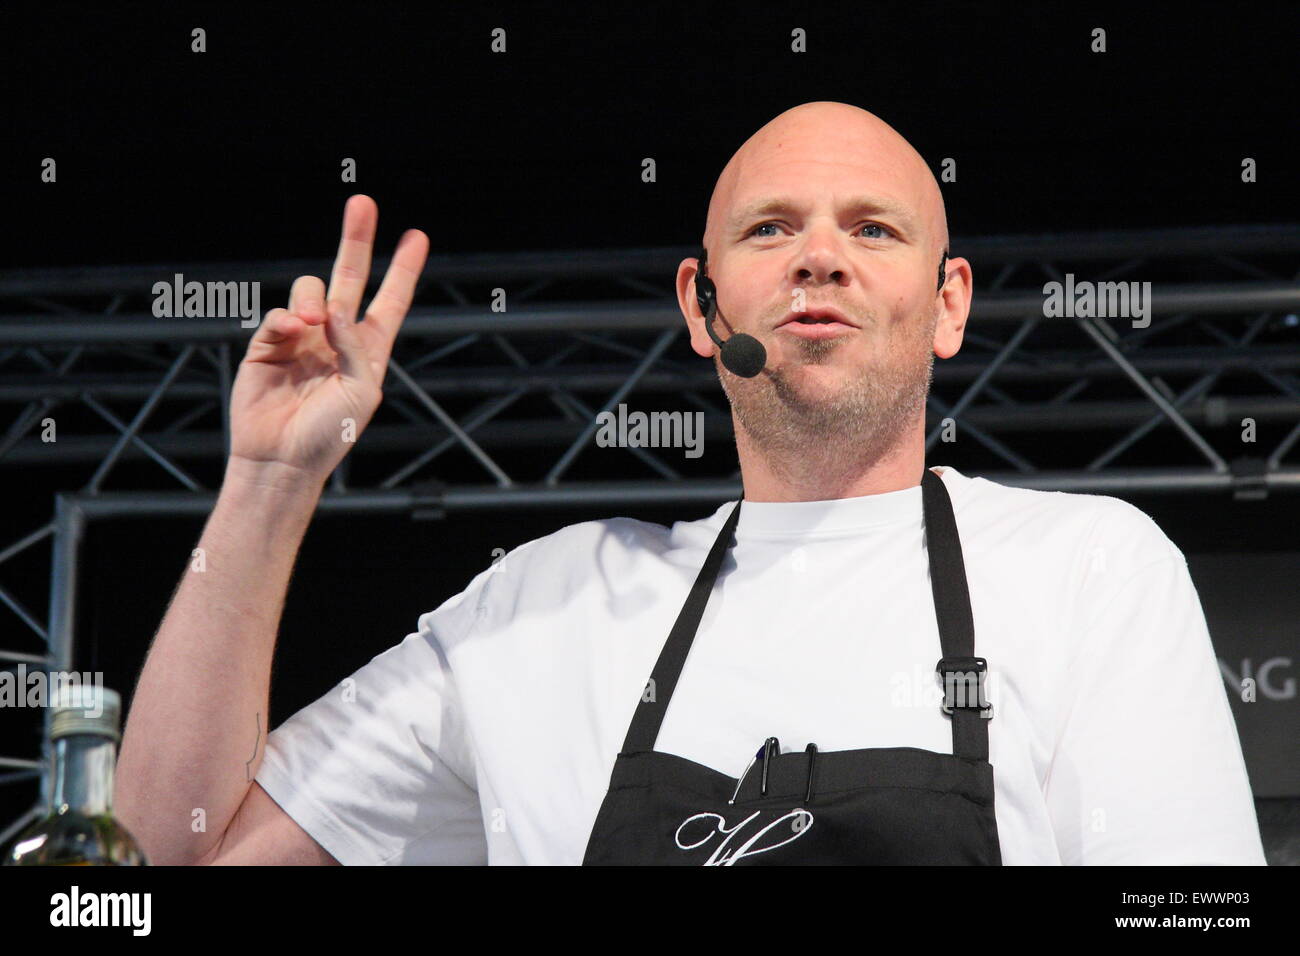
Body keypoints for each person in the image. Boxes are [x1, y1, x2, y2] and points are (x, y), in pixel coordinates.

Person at [116, 101, 1266, 865]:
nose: (820, 254)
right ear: (699, 305)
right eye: (770, 228)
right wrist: (267, 484)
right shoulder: (538, 609)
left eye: (871, 226)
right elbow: (174, 858)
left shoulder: (1090, 570)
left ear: (949, 302)